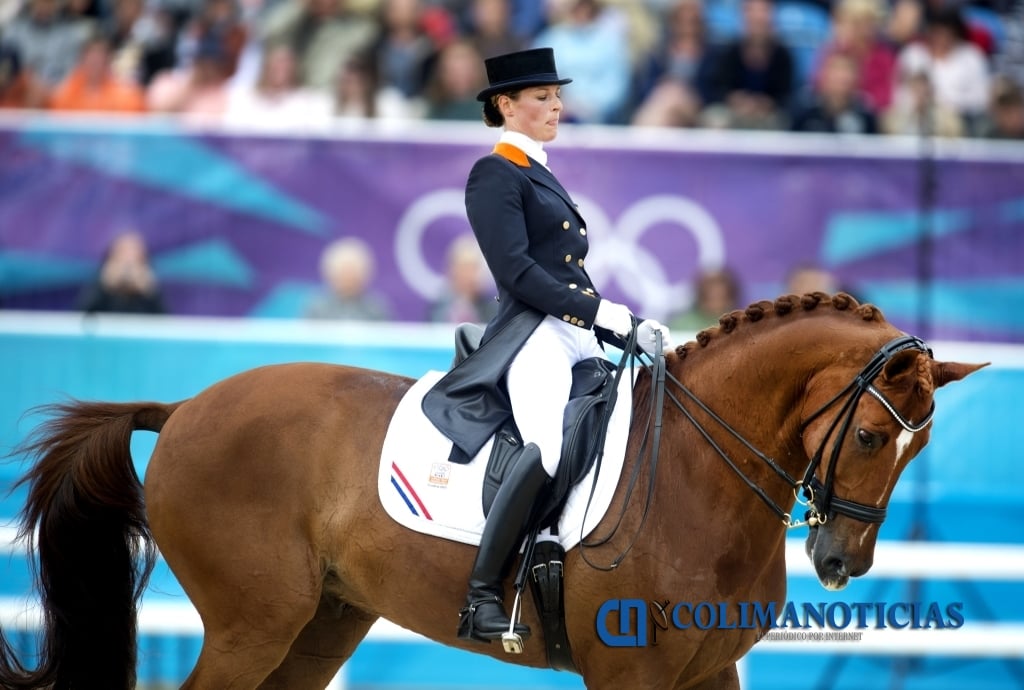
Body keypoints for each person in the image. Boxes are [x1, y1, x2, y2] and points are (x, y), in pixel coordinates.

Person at [420, 47, 673, 645]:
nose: (556, 105)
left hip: (572, 332)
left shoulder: (539, 169)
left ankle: (562, 538)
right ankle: (482, 594)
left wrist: (611, 326)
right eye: (541, 97)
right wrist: (606, 313)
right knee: (549, 448)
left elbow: (563, 270)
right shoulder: (495, 173)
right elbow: (517, 273)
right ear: (506, 105)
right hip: (531, 334)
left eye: (557, 95)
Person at [77, 231, 166, 314]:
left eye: (134, 256)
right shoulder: (99, 283)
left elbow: (166, 323)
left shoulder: (150, 287)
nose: (127, 264)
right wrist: (103, 287)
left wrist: (149, 292)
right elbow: (78, 318)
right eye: (122, 253)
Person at [305, 237, 392, 320]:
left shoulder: (375, 308)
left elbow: (388, 333)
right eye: (343, 271)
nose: (348, 277)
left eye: (352, 271)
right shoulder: (318, 308)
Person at [428, 234, 498, 323]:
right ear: (453, 271)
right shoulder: (438, 307)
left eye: (474, 268)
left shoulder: (490, 307)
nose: (470, 275)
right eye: (465, 268)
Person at [668, 267, 742, 336]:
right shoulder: (682, 325)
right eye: (710, 294)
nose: (714, 293)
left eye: (719, 295)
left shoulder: (741, 324)